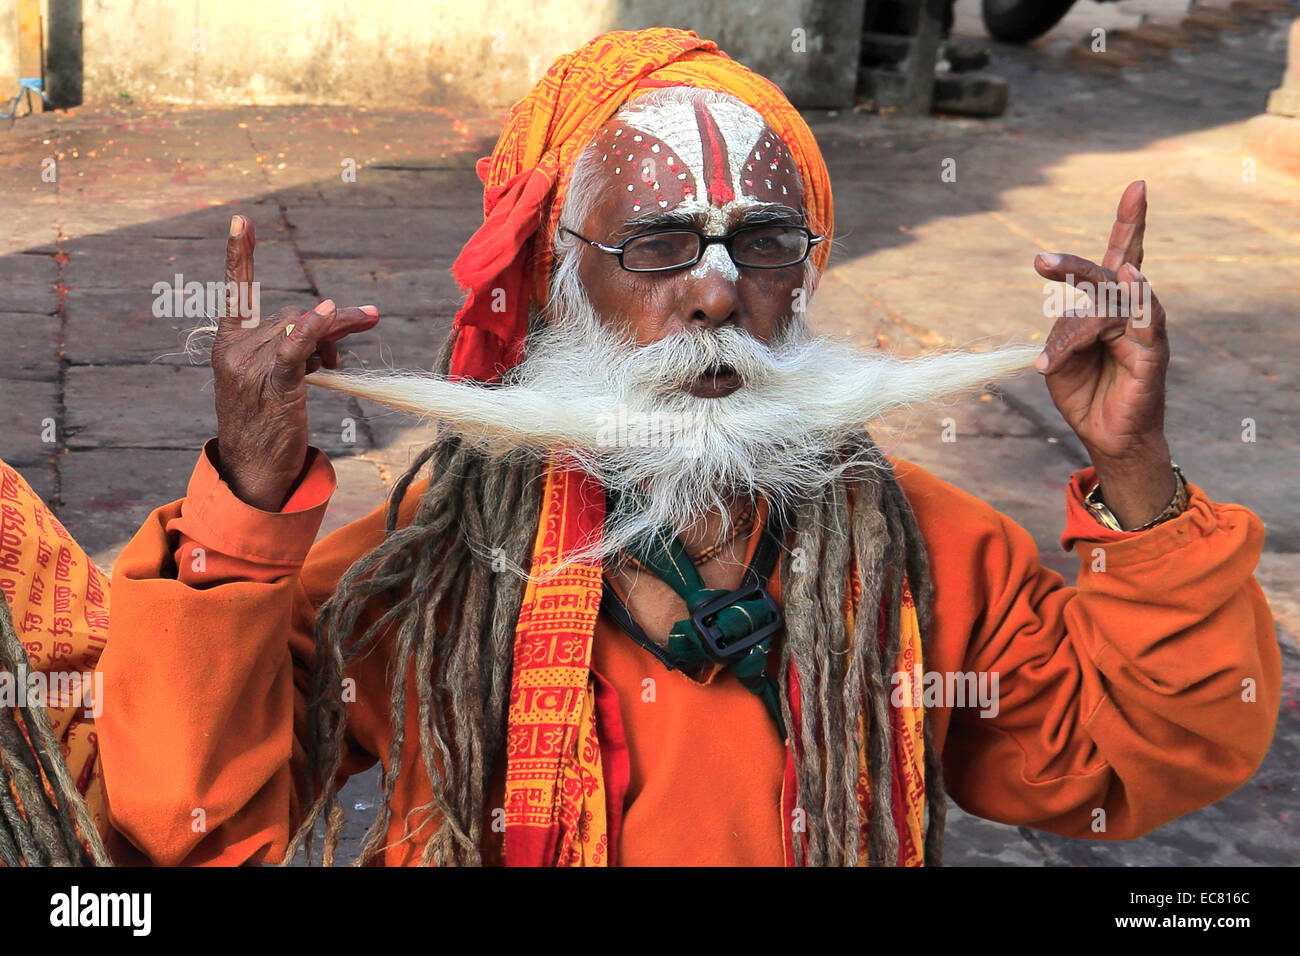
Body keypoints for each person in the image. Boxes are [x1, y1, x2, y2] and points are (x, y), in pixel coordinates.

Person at [82, 28, 1276, 867]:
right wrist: (244, 505)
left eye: (758, 243)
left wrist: (1137, 472)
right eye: (657, 244)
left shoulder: (933, 552)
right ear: (559, 285)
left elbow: (1142, 759)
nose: (714, 294)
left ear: (802, 280)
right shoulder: (428, 564)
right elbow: (186, 820)